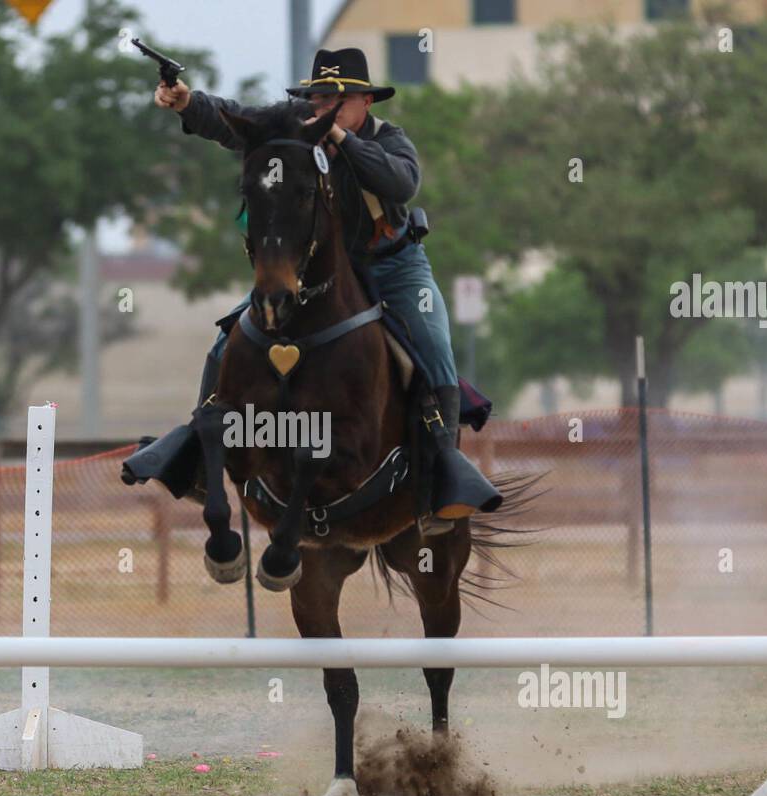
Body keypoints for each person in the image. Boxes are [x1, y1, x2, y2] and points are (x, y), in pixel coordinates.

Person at [123, 48, 501, 526]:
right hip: (316, 270)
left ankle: (444, 473)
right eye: (319, 96)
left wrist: (339, 137)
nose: (324, 105)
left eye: (337, 98)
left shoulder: (392, 140)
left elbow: (400, 185)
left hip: (393, 265)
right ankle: (197, 458)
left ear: (365, 100)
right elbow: (235, 120)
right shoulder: (297, 126)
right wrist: (186, 102)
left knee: (433, 343)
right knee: (228, 339)